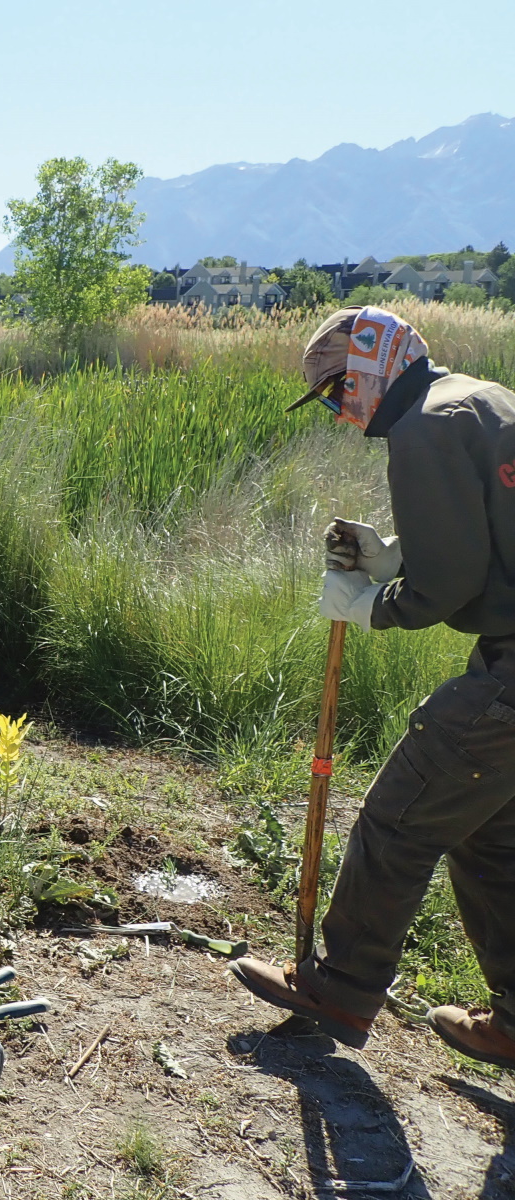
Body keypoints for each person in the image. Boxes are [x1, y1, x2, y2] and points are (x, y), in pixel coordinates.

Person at [231, 305, 515, 1070]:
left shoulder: (423, 427)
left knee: (400, 818)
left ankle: (341, 987)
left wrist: (374, 605)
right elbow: (491, 543)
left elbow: (450, 582)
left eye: (334, 391)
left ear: (370, 369)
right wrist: (394, 556)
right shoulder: (481, 400)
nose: (337, 411)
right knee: (491, 840)